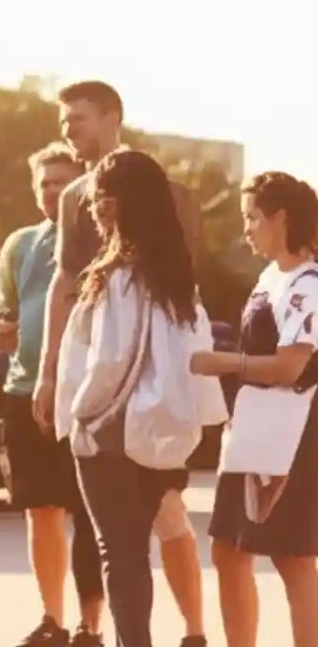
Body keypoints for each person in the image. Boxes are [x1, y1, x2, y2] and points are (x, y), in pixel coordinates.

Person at [34, 81, 207, 647]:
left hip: (109, 432)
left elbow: (110, 359)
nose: (93, 204)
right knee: (131, 552)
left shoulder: (118, 278)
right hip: (157, 430)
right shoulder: (174, 280)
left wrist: (80, 414)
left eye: (103, 197)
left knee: (121, 553)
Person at [191, 171, 318, 647]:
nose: (245, 229)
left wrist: (220, 361)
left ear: (281, 218)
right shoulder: (270, 278)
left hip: (292, 434)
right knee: (227, 549)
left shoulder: (309, 286)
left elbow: (290, 368)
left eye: (253, 218)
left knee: (294, 558)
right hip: (251, 430)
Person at [0, 143, 104, 647]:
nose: (54, 191)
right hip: (23, 391)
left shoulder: (98, 239)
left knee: (87, 512)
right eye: (46, 183)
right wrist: (0, 330)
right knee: (40, 510)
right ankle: (52, 620)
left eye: (63, 181)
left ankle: (90, 626)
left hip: (81, 394)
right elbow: (2, 314)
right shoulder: (19, 245)